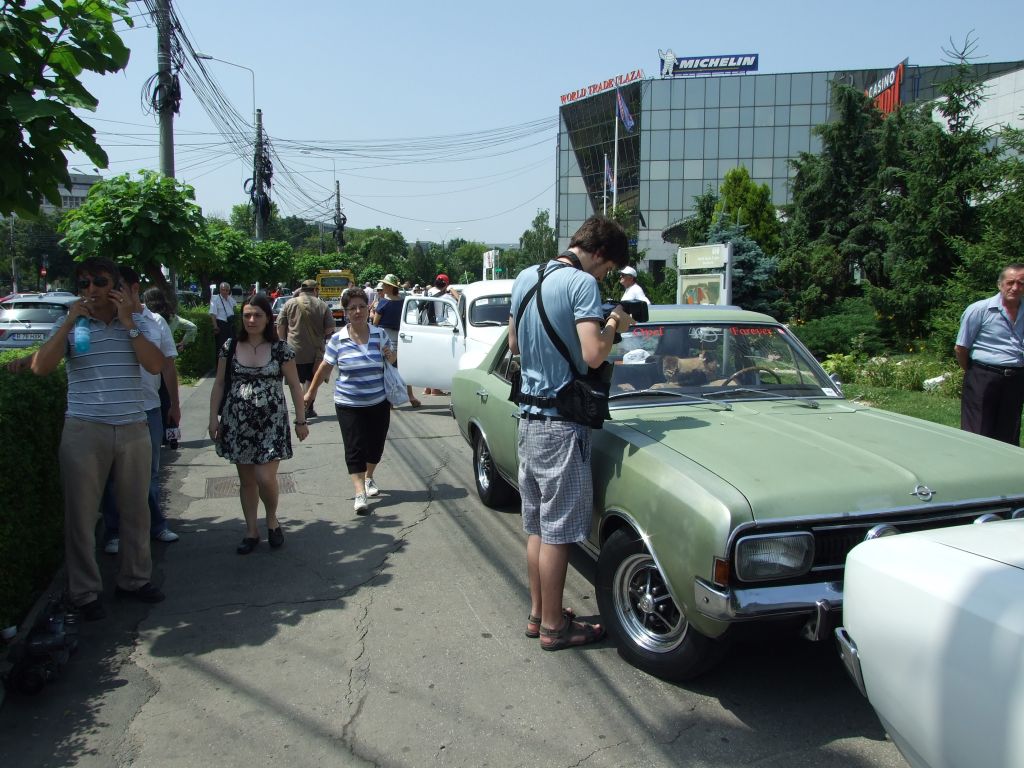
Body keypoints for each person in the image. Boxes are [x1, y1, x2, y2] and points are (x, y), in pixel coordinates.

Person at [508, 215, 631, 650]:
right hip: (563, 425)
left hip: (528, 420)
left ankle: (540, 614)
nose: (605, 276)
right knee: (559, 532)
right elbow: (594, 354)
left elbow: (514, 348)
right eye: (608, 269)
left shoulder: (525, 278)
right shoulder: (581, 285)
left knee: (538, 527)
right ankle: (555, 629)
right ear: (598, 253)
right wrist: (615, 324)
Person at [29, 257, 168, 619]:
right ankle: (84, 592)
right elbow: (41, 367)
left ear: (117, 287)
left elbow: (155, 366)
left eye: (100, 282)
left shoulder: (137, 323)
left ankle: (135, 579)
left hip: (133, 427)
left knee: (136, 509)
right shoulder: (72, 324)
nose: (92, 290)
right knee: (82, 515)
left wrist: (128, 324)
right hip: (84, 429)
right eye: (85, 283)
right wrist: (70, 320)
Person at [208, 294, 309, 554]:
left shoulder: (281, 349)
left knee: (265, 477)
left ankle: (272, 519)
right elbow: (219, 384)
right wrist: (213, 418)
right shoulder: (230, 347)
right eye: (247, 315)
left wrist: (301, 420)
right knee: (246, 480)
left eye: (257, 315)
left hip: (271, 424)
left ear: (268, 318)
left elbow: (296, 387)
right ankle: (251, 530)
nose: (251, 320)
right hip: (237, 424)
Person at [100, 273, 181, 556]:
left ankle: (155, 525)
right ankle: (114, 531)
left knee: (150, 472)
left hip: (150, 406)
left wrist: (175, 404)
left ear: (134, 290)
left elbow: (167, 366)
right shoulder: (106, 323)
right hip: (117, 410)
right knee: (113, 478)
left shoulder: (155, 322)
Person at [304, 287, 397, 515]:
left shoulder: (379, 334)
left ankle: (369, 477)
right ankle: (359, 493)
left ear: (368, 309)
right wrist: (311, 393)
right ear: (346, 312)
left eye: (362, 307)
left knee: (376, 445)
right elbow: (325, 367)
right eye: (352, 308)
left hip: (379, 401)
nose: (358, 311)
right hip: (348, 404)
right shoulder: (338, 339)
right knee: (354, 447)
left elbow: (393, 359)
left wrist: (391, 356)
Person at [955, 263, 1024, 445]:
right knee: (976, 432)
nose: (1015, 288)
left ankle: (1006, 472)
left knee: (1009, 433)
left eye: (1021, 283)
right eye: (1010, 282)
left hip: (1015, 379)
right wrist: (973, 372)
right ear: (1000, 284)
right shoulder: (979, 310)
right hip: (982, 376)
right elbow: (961, 348)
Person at [275, 279, 335, 419]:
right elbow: (329, 329)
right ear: (315, 290)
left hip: (292, 350)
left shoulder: (289, 303)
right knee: (310, 380)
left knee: (295, 383)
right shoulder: (322, 305)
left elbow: (280, 326)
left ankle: (303, 408)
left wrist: (283, 344)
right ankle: (306, 408)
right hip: (314, 352)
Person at [372, 273, 420, 407]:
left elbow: (375, 323)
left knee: (386, 369)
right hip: (401, 338)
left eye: (385, 285)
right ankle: (411, 396)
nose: (382, 287)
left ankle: (389, 399)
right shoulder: (404, 301)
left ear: (390, 287)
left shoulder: (383, 302)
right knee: (404, 367)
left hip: (385, 338)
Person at [209, 282, 237, 364]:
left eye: (227, 290)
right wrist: (215, 326)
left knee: (231, 347)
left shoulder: (230, 299)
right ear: (220, 290)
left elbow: (234, 307)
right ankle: (220, 368)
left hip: (230, 325)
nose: (225, 292)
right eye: (223, 290)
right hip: (221, 325)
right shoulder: (215, 298)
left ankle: (229, 366)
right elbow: (213, 314)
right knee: (222, 348)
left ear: (229, 291)